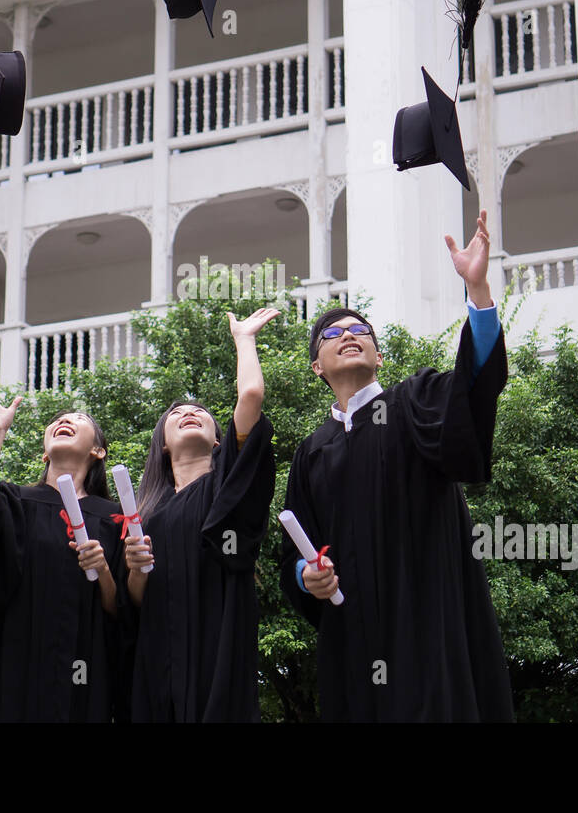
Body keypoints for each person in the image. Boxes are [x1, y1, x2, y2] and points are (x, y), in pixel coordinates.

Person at [280, 211, 512, 721]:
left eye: (360, 329)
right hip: (353, 642)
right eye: (332, 332)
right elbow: (293, 552)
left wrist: (477, 293)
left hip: (427, 623)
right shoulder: (312, 452)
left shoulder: (413, 403)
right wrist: (305, 576)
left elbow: (475, 391)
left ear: (379, 355)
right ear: (317, 366)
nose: (349, 334)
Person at [123, 307, 280, 722]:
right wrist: (136, 569)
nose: (188, 413)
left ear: (218, 441)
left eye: (201, 413)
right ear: (163, 446)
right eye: (175, 414)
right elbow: (137, 600)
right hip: (157, 662)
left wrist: (243, 339)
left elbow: (250, 397)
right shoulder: (144, 516)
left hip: (218, 651)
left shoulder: (226, 486)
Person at [0, 389, 125, 722]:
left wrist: (104, 570)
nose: (64, 420)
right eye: (57, 421)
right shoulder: (16, 501)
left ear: (98, 451)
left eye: (77, 419)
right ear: (43, 454)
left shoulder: (114, 518)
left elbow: (119, 608)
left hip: (85, 660)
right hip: (17, 656)